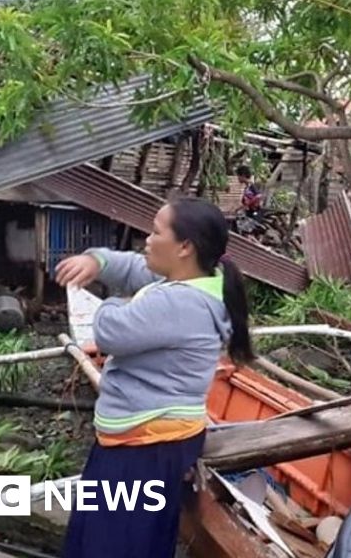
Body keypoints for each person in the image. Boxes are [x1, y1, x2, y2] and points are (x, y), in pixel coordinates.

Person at [54, 197, 253, 558]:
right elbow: (134, 268)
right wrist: (97, 260)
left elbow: (109, 331)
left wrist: (115, 301)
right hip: (151, 437)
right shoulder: (201, 276)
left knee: (114, 545)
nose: (147, 239)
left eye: (156, 232)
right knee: (129, 537)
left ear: (184, 247)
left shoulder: (180, 303)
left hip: (146, 446)